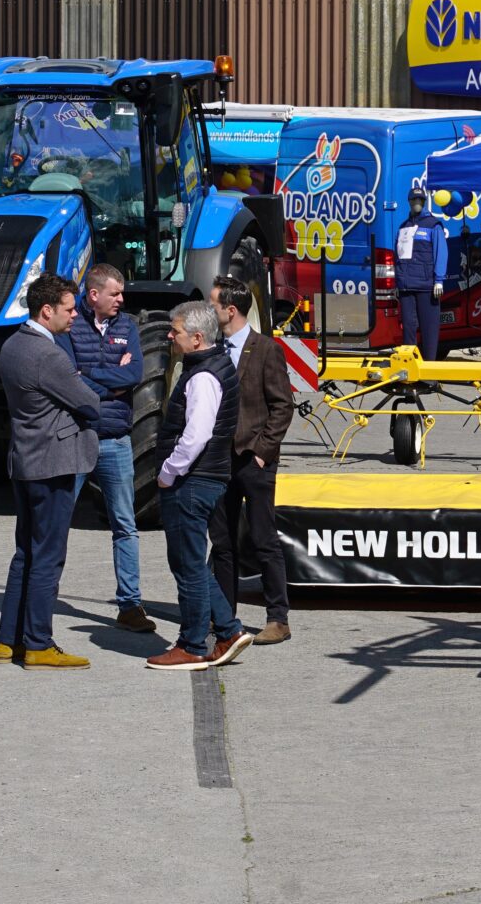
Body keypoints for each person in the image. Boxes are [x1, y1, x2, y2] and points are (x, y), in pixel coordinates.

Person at [0, 274, 100, 669]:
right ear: (47, 310)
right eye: (70, 310)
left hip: (25, 460)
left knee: (26, 552)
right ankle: (38, 642)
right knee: (48, 557)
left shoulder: (13, 345)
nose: (75, 316)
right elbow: (88, 401)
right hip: (52, 463)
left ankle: (9, 639)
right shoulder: (48, 355)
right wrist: (84, 385)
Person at [146, 299, 250, 672]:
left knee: (188, 566)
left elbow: (196, 435)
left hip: (192, 480)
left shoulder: (203, 376)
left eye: (175, 332)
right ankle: (228, 630)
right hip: (204, 478)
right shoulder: (213, 364)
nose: (170, 337)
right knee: (193, 563)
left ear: (197, 337)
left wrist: (169, 472)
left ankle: (192, 644)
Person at [68, 264, 155, 633]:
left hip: (117, 440)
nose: (122, 299)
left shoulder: (127, 327)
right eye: (116, 293)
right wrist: (107, 384)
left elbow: (133, 376)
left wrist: (89, 378)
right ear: (94, 295)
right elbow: (67, 375)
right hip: (75, 437)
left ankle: (130, 605)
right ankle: (39, 596)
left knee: (125, 524)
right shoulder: (70, 325)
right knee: (56, 522)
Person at [210, 277, 294, 646]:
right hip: (219, 462)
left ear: (230, 310)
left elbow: (282, 405)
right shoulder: (213, 348)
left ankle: (278, 617)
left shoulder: (264, 350)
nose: (208, 312)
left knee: (263, 539)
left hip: (253, 460)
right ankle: (224, 616)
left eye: (212, 306)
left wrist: (262, 452)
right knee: (223, 542)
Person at [395, 187, 449, 361]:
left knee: (429, 329)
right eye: (414, 200)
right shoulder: (404, 227)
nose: (417, 203)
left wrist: (439, 280)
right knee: (408, 329)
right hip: (406, 286)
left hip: (427, 286)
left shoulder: (433, 225)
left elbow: (441, 253)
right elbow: (398, 255)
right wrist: (398, 281)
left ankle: (429, 372)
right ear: (409, 202)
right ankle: (409, 370)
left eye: (420, 201)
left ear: (424, 202)